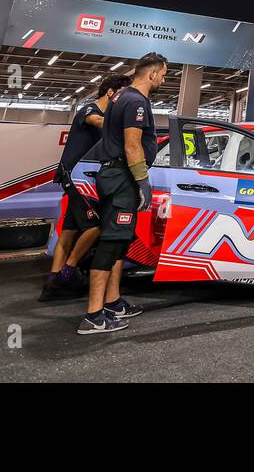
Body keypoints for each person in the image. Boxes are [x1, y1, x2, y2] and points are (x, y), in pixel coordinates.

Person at [78, 52, 168, 335]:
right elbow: (132, 145)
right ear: (152, 74)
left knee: (117, 242)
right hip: (122, 180)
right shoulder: (136, 101)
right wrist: (142, 181)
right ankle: (93, 316)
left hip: (115, 177)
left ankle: (111, 303)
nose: (163, 80)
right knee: (109, 244)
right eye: (163, 74)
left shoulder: (121, 98)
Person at [41, 74, 129, 300]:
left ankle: (53, 283)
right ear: (110, 92)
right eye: (123, 93)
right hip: (76, 179)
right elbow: (98, 122)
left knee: (69, 230)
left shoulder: (105, 114)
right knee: (97, 225)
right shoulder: (89, 111)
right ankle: (68, 272)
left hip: (83, 181)